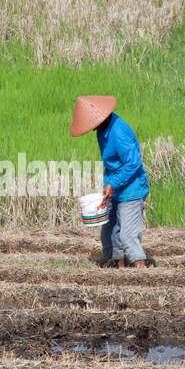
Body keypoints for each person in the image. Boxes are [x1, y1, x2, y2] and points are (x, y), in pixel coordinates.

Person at [69, 95, 152, 268]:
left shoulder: (118, 132)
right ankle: (119, 271)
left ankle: (142, 272)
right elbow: (111, 163)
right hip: (115, 187)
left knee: (128, 236)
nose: (91, 128)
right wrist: (109, 185)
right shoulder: (102, 130)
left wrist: (112, 184)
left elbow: (134, 163)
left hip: (131, 189)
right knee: (110, 232)